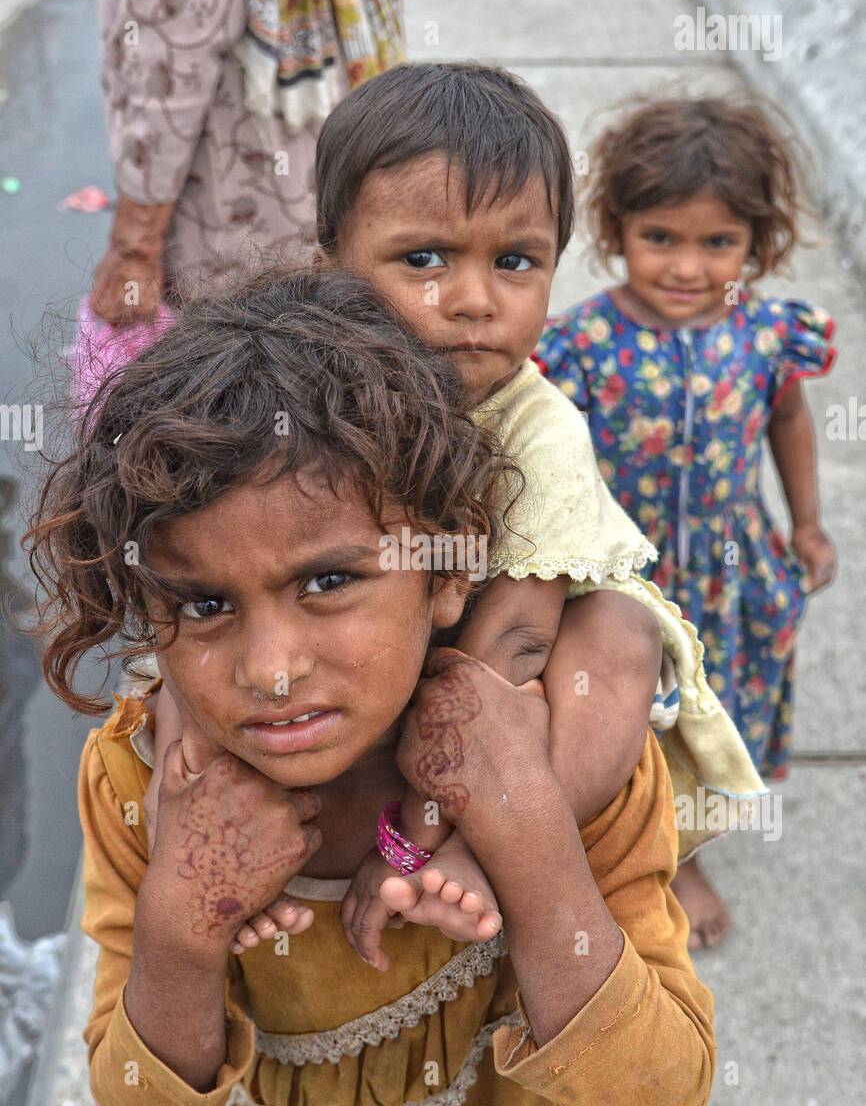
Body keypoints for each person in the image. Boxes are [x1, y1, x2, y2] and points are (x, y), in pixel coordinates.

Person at [25, 266, 714, 1106]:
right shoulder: (147, 785)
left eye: (328, 583)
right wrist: (181, 930)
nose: (271, 669)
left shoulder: (551, 751)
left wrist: (530, 843)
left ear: (445, 568)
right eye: (206, 603)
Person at [146, 63, 766, 969]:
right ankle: (186, 834)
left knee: (623, 638)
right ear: (331, 266)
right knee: (177, 660)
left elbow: (509, 648)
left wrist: (418, 832)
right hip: (372, 632)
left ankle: (497, 850)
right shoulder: (308, 394)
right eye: (423, 259)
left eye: (514, 261)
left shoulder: (538, 430)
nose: (473, 299)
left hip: (505, 659)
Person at [534, 95, 837, 949]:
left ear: (757, 244)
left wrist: (806, 524)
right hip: (630, 580)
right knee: (642, 710)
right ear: (616, 227)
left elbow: (786, 421)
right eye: (660, 237)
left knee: (722, 705)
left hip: (732, 573)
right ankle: (670, 856)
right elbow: (546, 454)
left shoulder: (768, 336)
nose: (687, 267)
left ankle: (692, 827)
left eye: (719, 243)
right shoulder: (583, 345)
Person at [88, 0, 404, 324]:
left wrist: (135, 247)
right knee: (316, 337)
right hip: (326, 151)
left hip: (240, 185)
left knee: (248, 353)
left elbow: (174, 50)